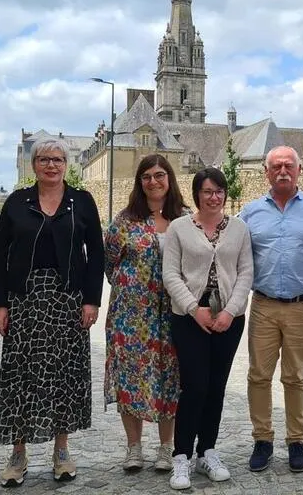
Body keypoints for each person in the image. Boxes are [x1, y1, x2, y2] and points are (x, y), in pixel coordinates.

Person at [0, 138, 105, 487]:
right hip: (24, 299)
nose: (51, 165)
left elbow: (96, 255)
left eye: (57, 159)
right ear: (33, 164)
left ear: (66, 164)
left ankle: (62, 450)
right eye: (43, 159)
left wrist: (92, 300)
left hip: (68, 299)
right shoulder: (16, 202)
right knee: (20, 375)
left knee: (65, 374)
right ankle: (18, 454)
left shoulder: (81, 201)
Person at [239, 145, 303, 473]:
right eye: (276, 166)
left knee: (294, 377)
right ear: (266, 172)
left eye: (288, 166)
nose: (282, 171)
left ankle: (296, 441)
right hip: (263, 305)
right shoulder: (250, 213)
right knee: (258, 375)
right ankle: (262, 439)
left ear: (299, 170)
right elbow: (240, 257)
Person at [162, 167, 254, 490]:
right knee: (195, 386)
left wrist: (229, 311)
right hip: (189, 317)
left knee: (216, 386)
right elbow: (171, 274)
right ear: (197, 194)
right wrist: (193, 309)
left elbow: (246, 272)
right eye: (207, 191)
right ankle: (181, 455)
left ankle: (207, 451)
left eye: (219, 191)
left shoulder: (239, 228)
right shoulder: (179, 228)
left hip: (229, 317)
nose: (214, 197)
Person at [103, 154, 186, 473]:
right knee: (130, 377)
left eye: (159, 175)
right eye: (147, 176)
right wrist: (135, 286)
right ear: (140, 182)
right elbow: (110, 263)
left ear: (169, 179)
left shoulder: (184, 218)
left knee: (170, 378)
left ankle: (166, 447)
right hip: (130, 317)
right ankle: (134, 448)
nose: (153, 181)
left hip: (174, 314)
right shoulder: (125, 221)